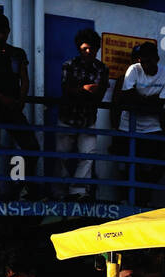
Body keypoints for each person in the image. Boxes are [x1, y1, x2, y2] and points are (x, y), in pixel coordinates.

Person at [0, 12, 39, 199]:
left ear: (8, 31)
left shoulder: (17, 53)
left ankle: (23, 188)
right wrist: (4, 99)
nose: (1, 35)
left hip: (13, 107)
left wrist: (20, 100)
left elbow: (24, 79)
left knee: (30, 147)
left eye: (3, 31)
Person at [113, 41, 165, 203]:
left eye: (149, 60)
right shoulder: (133, 69)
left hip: (152, 127)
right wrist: (149, 102)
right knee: (128, 165)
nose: (145, 64)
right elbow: (127, 98)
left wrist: (140, 103)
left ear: (157, 59)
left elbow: (161, 105)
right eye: (142, 60)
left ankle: (143, 195)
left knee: (163, 159)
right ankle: (130, 199)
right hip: (128, 126)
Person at [56, 28, 108, 199]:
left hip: (88, 119)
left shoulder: (101, 68)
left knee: (87, 156)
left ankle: (76, 192)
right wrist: (85, 89)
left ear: (97, 49)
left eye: (92, 48)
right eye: (85, 48)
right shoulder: (69, 65)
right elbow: (66, 90)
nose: (88, 52)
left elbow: (99, 95)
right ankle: (61, 192)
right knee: (62, 156)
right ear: (79, 48)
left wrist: (81, 91)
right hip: (67, 117)